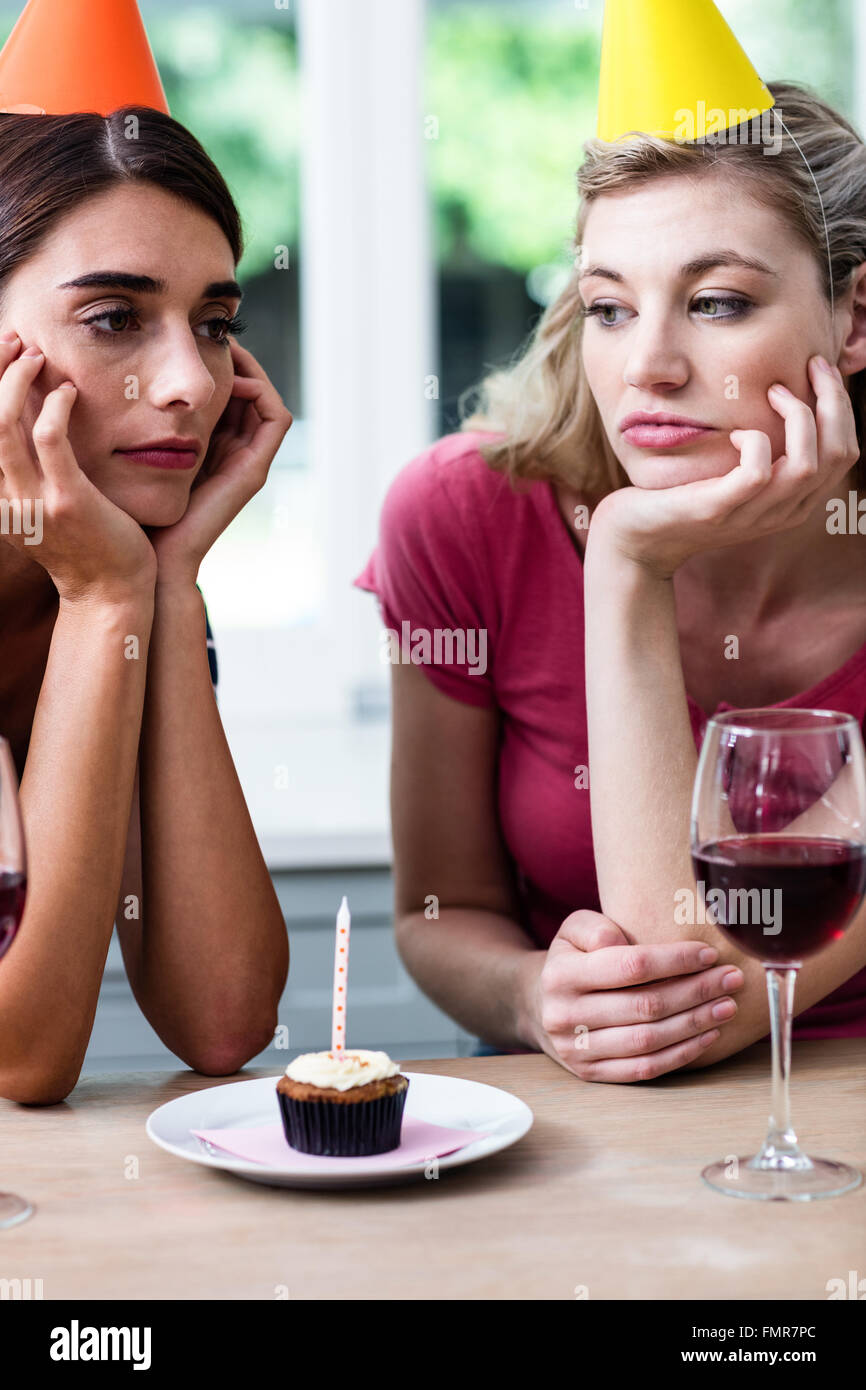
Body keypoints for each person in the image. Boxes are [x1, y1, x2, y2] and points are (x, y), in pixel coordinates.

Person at [355, 80, 866, 1081]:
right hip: (576, 1154)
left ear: (852, 320)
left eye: (716, 301)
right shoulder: (461, 517)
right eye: (607, 307)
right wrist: (529, 993)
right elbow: (442, 911)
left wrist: (627, 562)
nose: (648, 366)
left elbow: (695, 986)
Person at [0, 106, 292, 1104]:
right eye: (115, 317)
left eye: (214, 327)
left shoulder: (125, 571)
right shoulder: (100, 580)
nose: (187, 385)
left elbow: (223, 1019)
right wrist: (104, 596)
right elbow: (20, 1055)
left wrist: (161, 588)